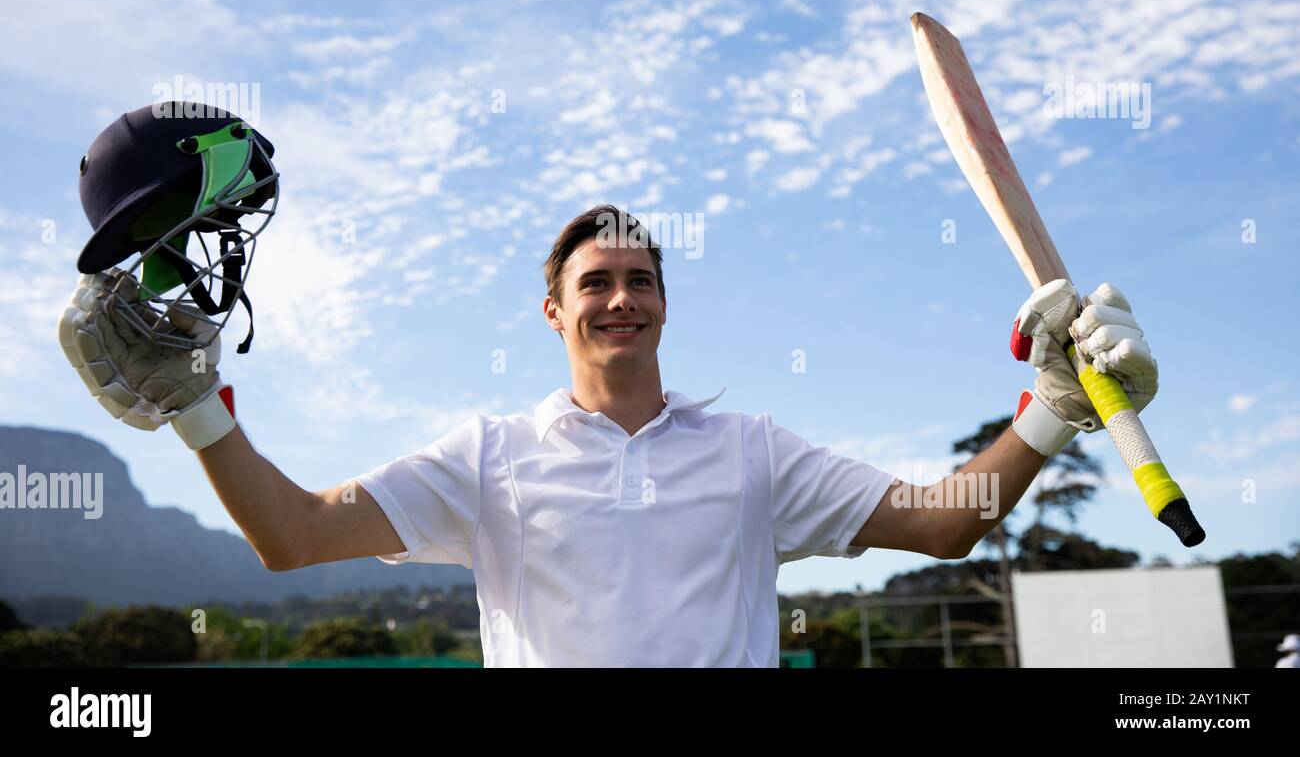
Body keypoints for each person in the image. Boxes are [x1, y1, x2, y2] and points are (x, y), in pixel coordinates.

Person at [59, 203, 1158, 667]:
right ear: (555, 310)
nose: (619, 297)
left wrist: (1054, 409)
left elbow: (939, 525)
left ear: (666, 304)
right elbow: (290, 536)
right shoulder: (485, 455)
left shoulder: (752, 448)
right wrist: (196, 408)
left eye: (640, 278)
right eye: (596, 281)